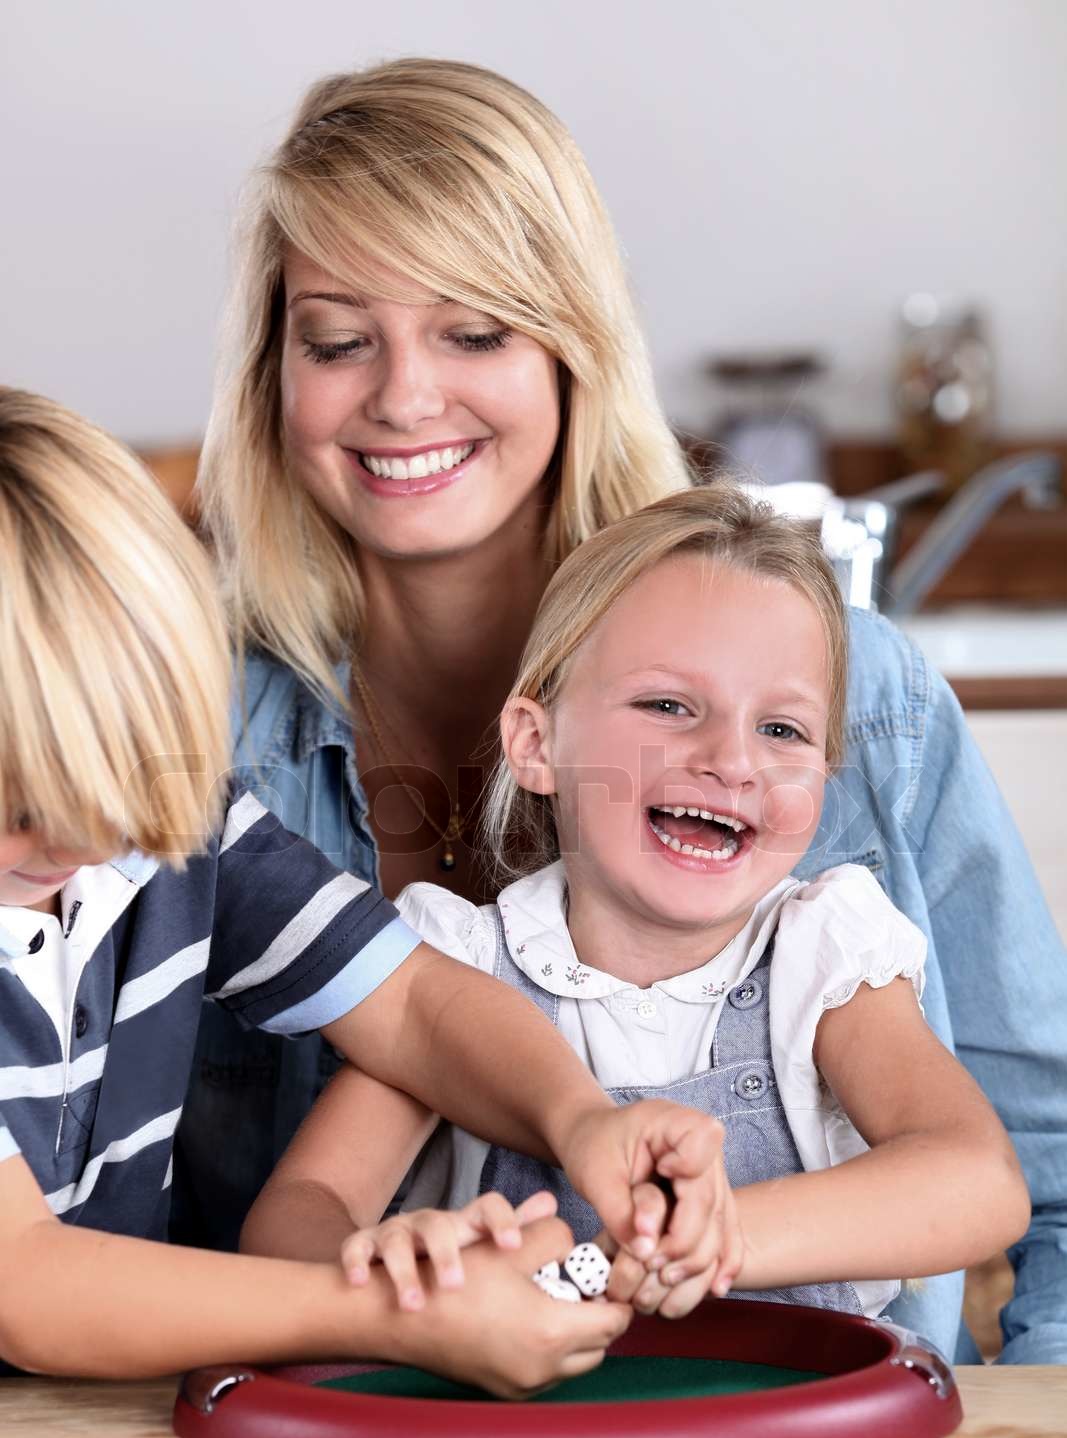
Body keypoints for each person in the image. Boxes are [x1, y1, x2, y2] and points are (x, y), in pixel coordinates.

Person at [177, 59, 1067, 1363]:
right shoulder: (191, 738)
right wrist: (389, 1296)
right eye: (335, 338)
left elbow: (1030, 1171)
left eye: (474, 329)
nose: (403, 396)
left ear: (571, 346)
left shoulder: (854, 701)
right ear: (271, 377)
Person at [0, 387, 745, 1390]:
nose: (86, 838)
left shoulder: (180, 838)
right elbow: (30, 1287)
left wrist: (580, 1121)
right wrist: (394, 1311)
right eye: (20, 803)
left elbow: (415, 1007)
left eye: (118, 781)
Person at [241, 483, 1030, 1326]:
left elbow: (976, 1181)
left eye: (782, 731)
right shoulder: (457, 965)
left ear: (823, 776)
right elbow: (300, 1208)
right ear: (536, 745)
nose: (730, 760)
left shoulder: (824, 952)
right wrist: (394, 1277)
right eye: (666, 706)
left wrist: (714, 1237)